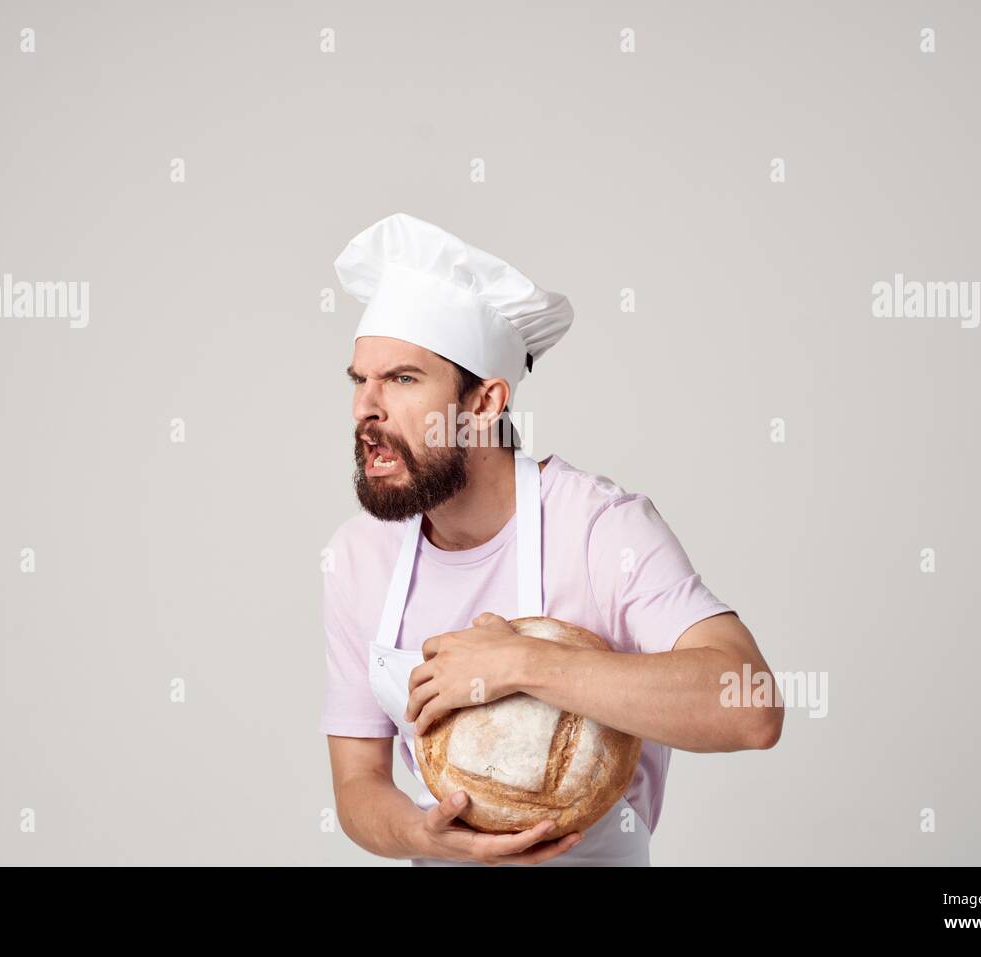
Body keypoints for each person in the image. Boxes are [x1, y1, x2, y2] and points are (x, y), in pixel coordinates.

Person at [319, 212, 781, 866]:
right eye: (359, 380)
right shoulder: (358, 556)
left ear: (484, 404)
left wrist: (521, 663)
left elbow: (752, 705)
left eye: (402, 379)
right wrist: (422, 834)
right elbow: (356, 783)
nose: (367, 407)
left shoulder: (599, 528)